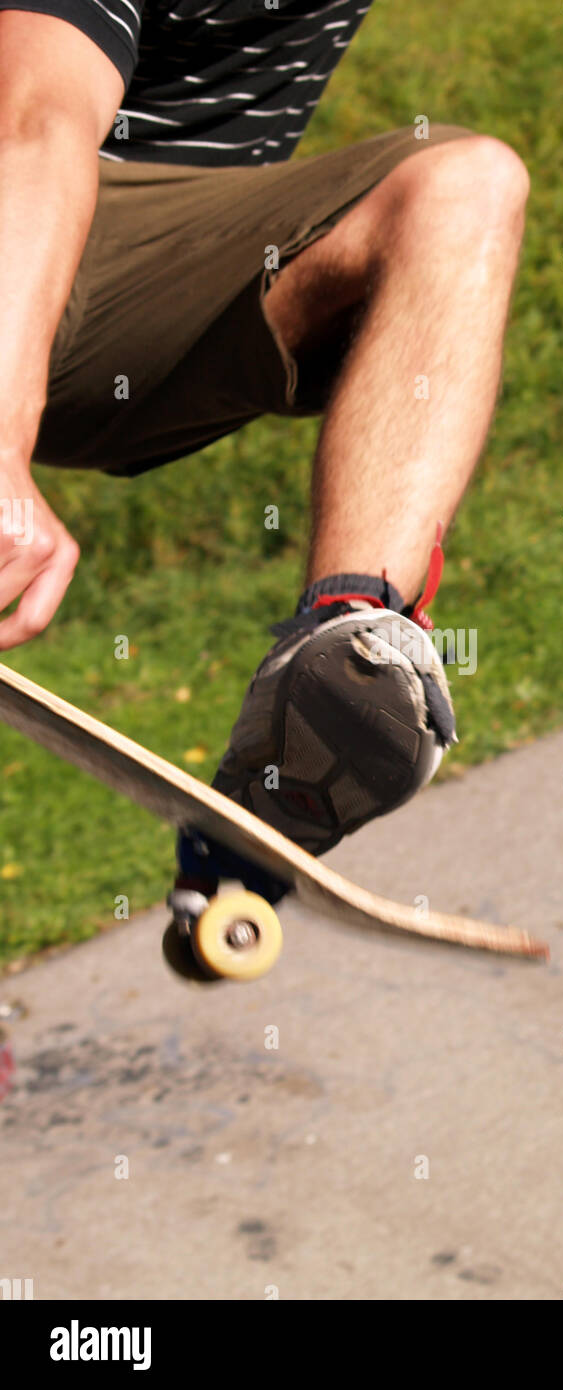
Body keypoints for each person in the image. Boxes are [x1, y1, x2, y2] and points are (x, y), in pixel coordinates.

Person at [0, 1, 529, 901]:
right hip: (23, 210)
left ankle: (331, 695)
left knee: (463, 189)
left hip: (153, 291)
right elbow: (33, 120)